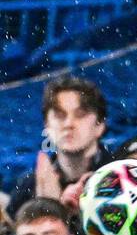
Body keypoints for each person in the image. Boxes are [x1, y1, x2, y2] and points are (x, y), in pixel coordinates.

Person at [7, 76, 111, 215]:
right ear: (47, 127)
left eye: (80, 115)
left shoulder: (119, 175)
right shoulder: (29, 185)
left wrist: (59, 211)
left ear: (100, 125)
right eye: (60, 115)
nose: (69, 124)